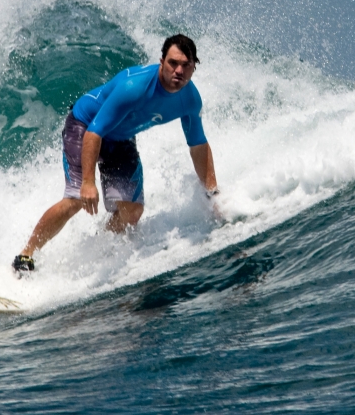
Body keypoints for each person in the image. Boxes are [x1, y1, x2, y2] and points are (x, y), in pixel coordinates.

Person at [12, 34, 219, 273]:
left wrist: (212, 193)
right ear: (162, 62)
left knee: (132, 210)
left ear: (194, 67)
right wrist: (88, 182)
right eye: (173, 63)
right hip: (85, 127)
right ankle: (26, 255)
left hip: (120, 137)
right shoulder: (135, 87)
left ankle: (97, 251)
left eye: (186, 65)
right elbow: (94, 132)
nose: (179, 71)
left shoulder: (190, 100)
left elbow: (198, 145)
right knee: (76, 200)